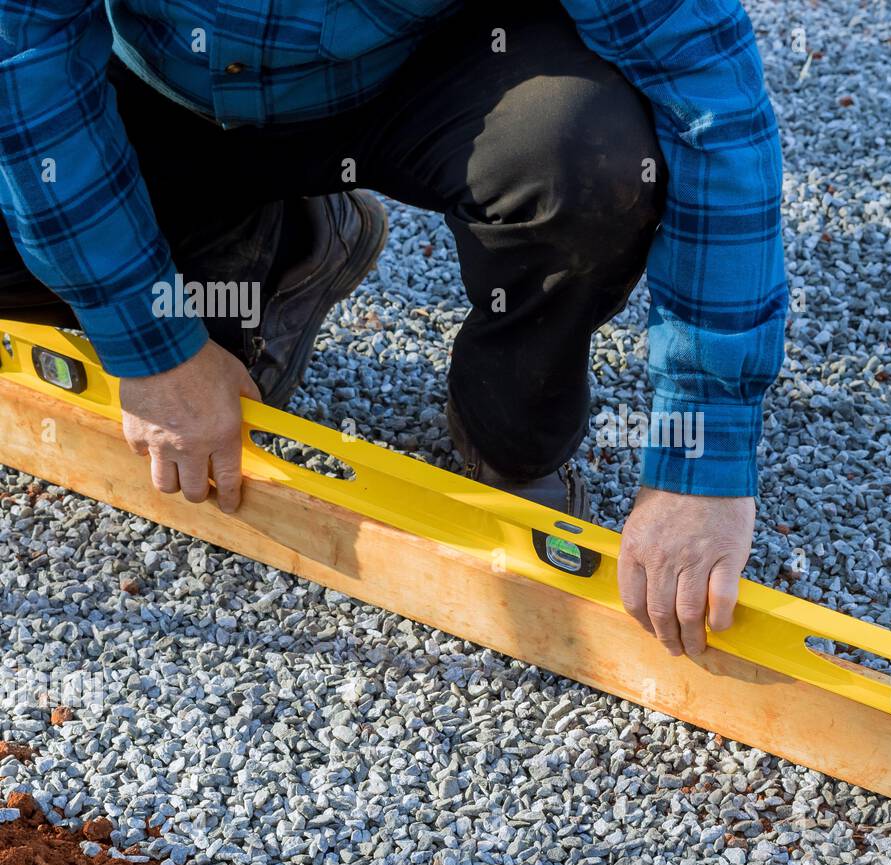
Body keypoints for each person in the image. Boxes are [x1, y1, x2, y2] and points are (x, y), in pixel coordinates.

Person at [0, 0, 787, 658]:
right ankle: (283, 250)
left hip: (416, 79)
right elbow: (25, 65)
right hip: (168, 92)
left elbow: (707, 99)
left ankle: (508, 424)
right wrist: (156, 349)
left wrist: (701, 456)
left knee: (588, 158)